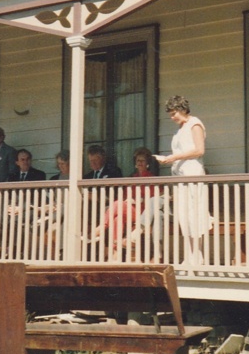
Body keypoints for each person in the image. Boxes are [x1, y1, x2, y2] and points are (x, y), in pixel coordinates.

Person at [156, 95, 208, 265]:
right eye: (170, 114)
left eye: (174, 114)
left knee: (194, 214)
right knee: (183, 215)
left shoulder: (195, 124)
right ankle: (190, 255)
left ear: (182, 109)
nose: (172, 118)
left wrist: (173, 157)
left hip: (192, 174)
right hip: (180, 177)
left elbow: (199, 150)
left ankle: (197, 255)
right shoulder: (180, 129)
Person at [87, 147, 157, 261]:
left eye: (142, 160)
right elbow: (124, 196)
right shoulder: (132, 177)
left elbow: (153, 197)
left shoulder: (151, 178)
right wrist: (127, 200)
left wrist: (136, 200)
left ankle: (101, 227)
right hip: (129, 209)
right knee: (117, 218)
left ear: (148, 163)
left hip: (143, 211)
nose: (140, 163)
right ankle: (116, 252)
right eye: (138, 160)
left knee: (117, 204)